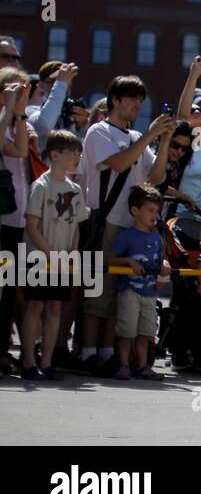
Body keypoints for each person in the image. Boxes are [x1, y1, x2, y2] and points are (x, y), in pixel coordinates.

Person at [79, 76, 173, 375]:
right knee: (98, 295)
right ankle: (87, 354)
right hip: (105, 220)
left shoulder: (135, 136)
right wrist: (149, 135)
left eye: (140, 100)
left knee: (120, 297)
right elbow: (118, 164)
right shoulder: (99, 131)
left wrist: (165, 137)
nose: (137, 105)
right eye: (132, 99)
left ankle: (109, 356)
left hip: (132, 225)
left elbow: (156, 176)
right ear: (115, 100)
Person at [19, 130, 88, 380]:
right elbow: (32, 226)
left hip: (62, 259)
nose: (76, 157)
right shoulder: (41, 186)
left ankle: (47, 362)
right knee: (35, 305)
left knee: (55, 308)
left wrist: (71, 255)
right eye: (72, 153)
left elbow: (76, 228)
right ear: (55, 154)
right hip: (39, 257)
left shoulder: (76, 190)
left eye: (79, 153)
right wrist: (50, 255)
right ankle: (28, 361)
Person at [108, 183, 170, 380]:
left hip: (150, 293)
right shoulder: (126, 236)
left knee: (146, 331)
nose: (155, 215)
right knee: (127, 330)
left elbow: (162, 260)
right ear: (135, 211)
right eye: (150, 210)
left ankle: (142, 365)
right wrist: (127, 261)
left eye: (157, 211)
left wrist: (164, 269)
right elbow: (109, 259)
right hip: (129, 291)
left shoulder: (158, 239)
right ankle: (124, 364)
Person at [0, 68, 38, 376]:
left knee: (9, 288)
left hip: (16, 218)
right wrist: (6, 108)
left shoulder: (16, 125)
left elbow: (22, 151)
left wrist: (20, 112)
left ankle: (2, 351)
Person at [26, 61, 78, 150]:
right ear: (41, 86)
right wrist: (61, 83)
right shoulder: (30, 110)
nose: (66, 84)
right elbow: (44, 125)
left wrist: (82, 127)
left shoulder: (69, 112)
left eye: (68, 79)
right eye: (56, 80)